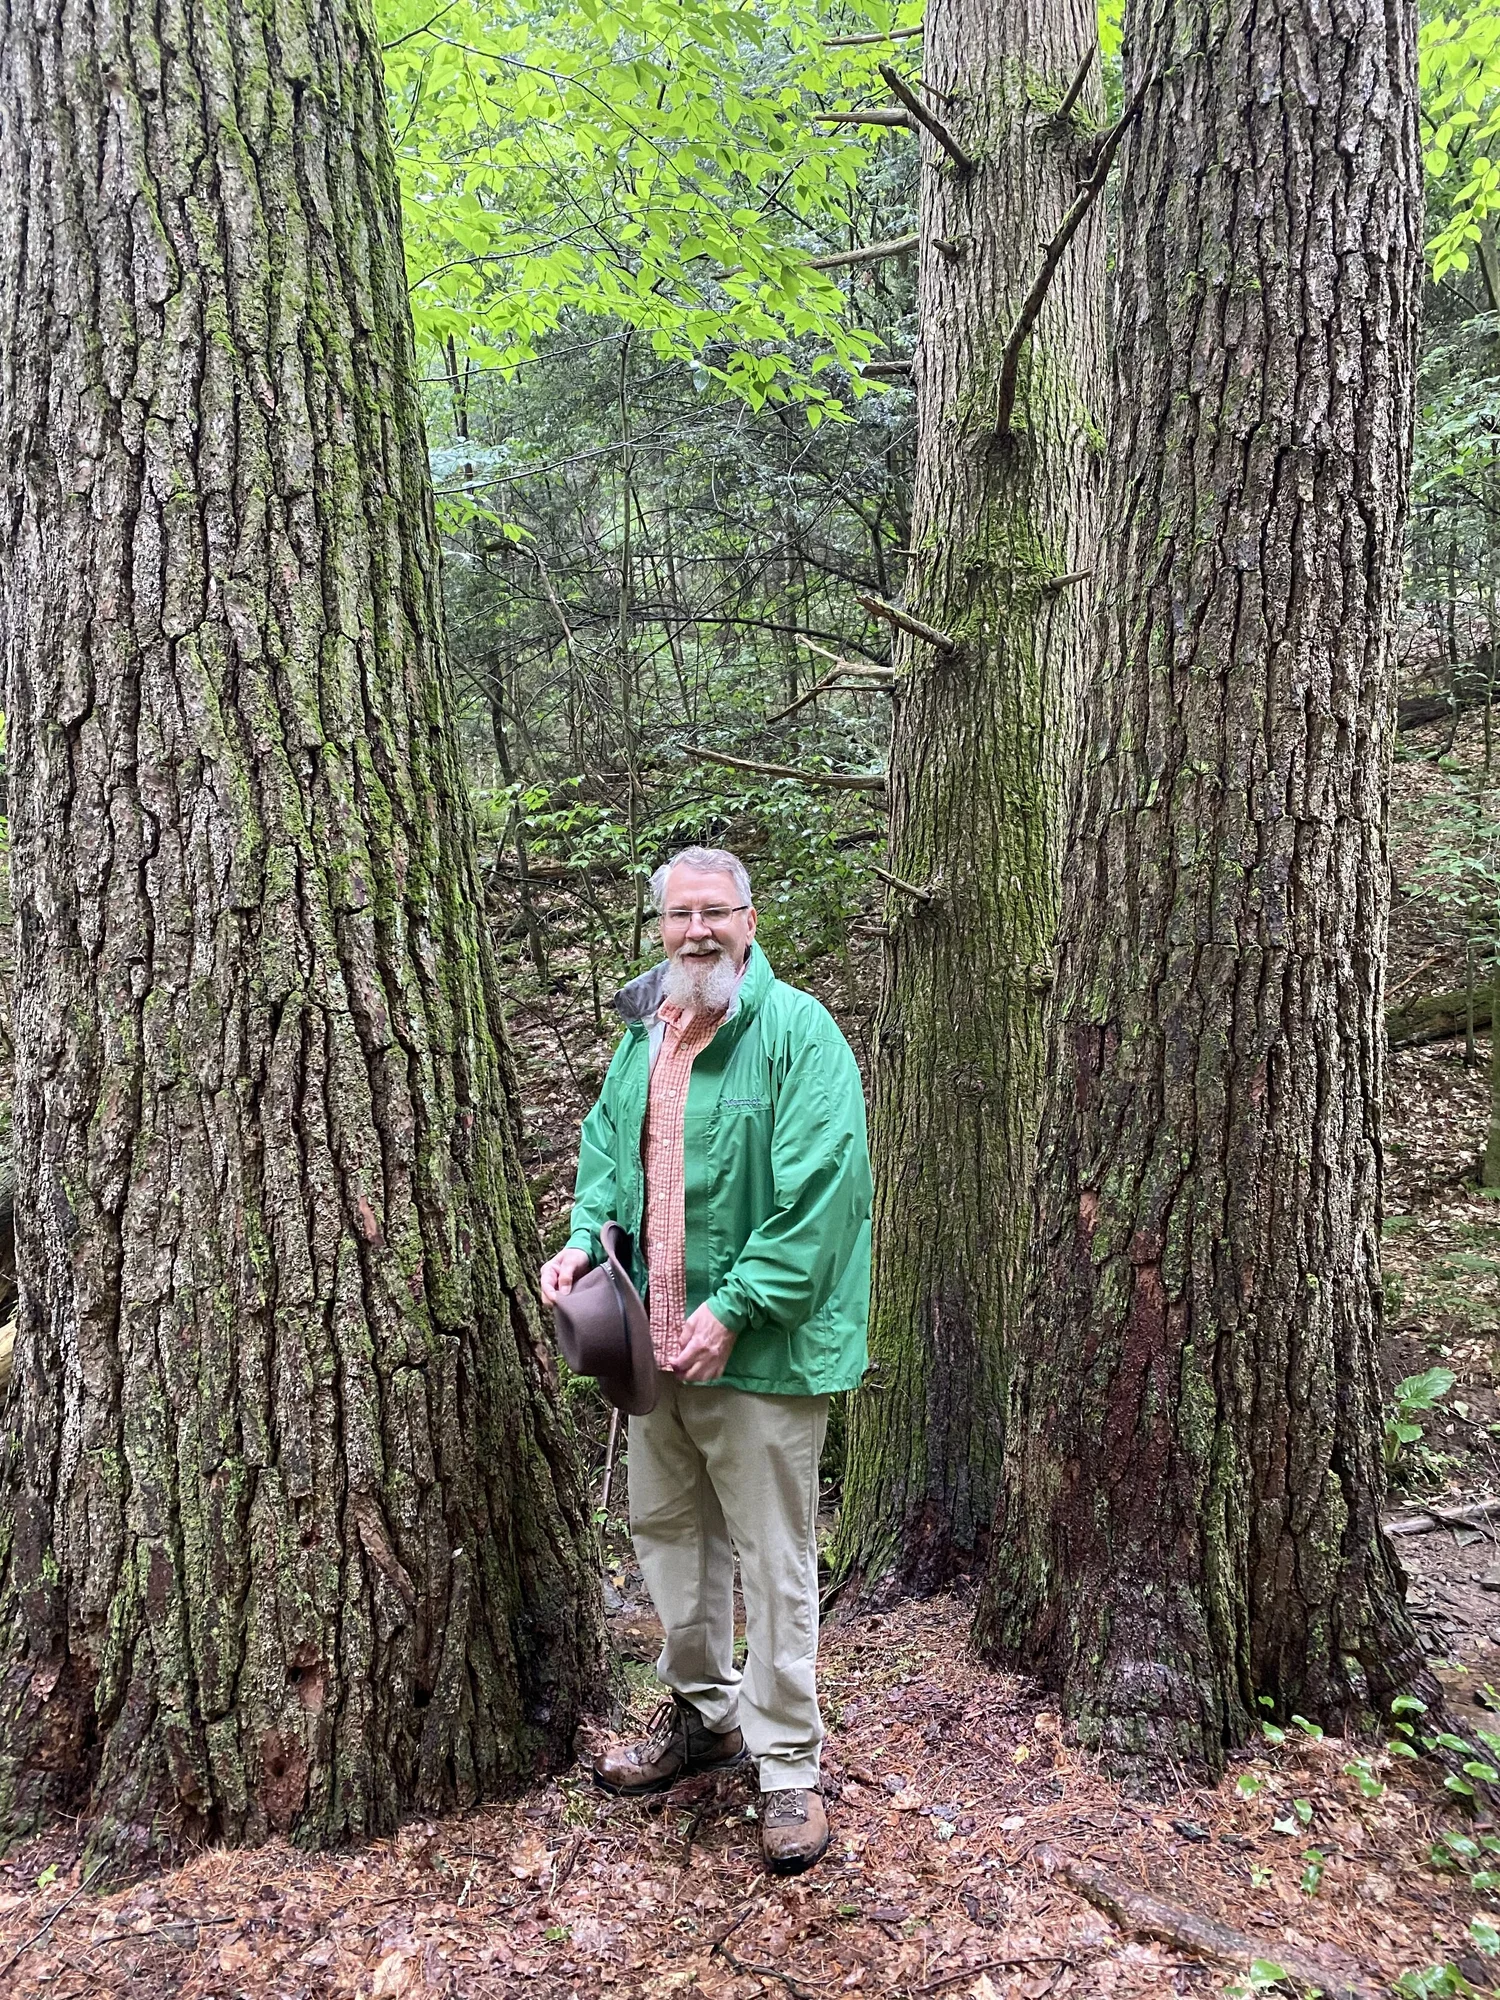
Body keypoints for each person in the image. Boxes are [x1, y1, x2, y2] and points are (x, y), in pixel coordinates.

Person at [541, 845, 871, 1875]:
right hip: (655, 1352)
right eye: (680, 914)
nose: (697, 931)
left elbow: (821, 1195)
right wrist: (584, 1241)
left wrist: (736, 1306)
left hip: (760, 1355)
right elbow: (607, 1161)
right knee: (671, 1543)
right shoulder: (645, 1036)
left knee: (774, 1563)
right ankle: (704, 1718)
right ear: (660, 927)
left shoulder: (799, 1034)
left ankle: (788, 1767)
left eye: (715, 912)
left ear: (749, 921)